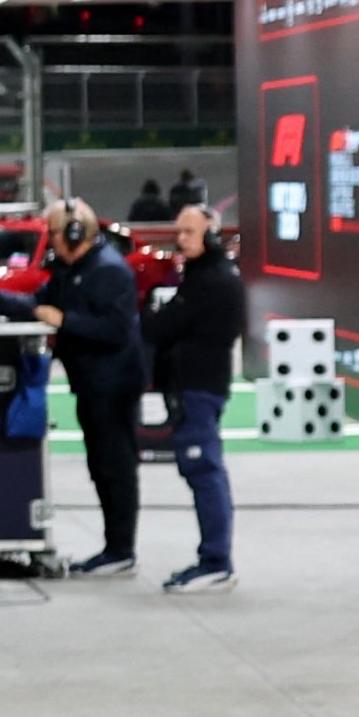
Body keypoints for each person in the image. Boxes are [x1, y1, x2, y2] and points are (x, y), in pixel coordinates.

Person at [0, 196, 143, 576]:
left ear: (74, 231)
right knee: (100, 466)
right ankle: (115, 548)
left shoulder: (109, 270)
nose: (49, 241)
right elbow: (38, 303)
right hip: (91, 384)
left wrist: (66, 321)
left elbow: (117, 330)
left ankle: (121, 550)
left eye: (52, 232)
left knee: (115, 467)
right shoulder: (73, 270)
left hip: (113, 385)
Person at [139, 200, 245, 591]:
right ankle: (214, 558)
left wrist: (154, 317)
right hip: (193, 388)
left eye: (189, 232)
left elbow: (162, 327)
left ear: (211, 235)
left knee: (204, 472)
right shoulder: (202, 276)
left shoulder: (212, 281)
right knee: (200, 472)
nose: (180, 240)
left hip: (200, 389)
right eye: (178, 232)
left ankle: (216, 561)